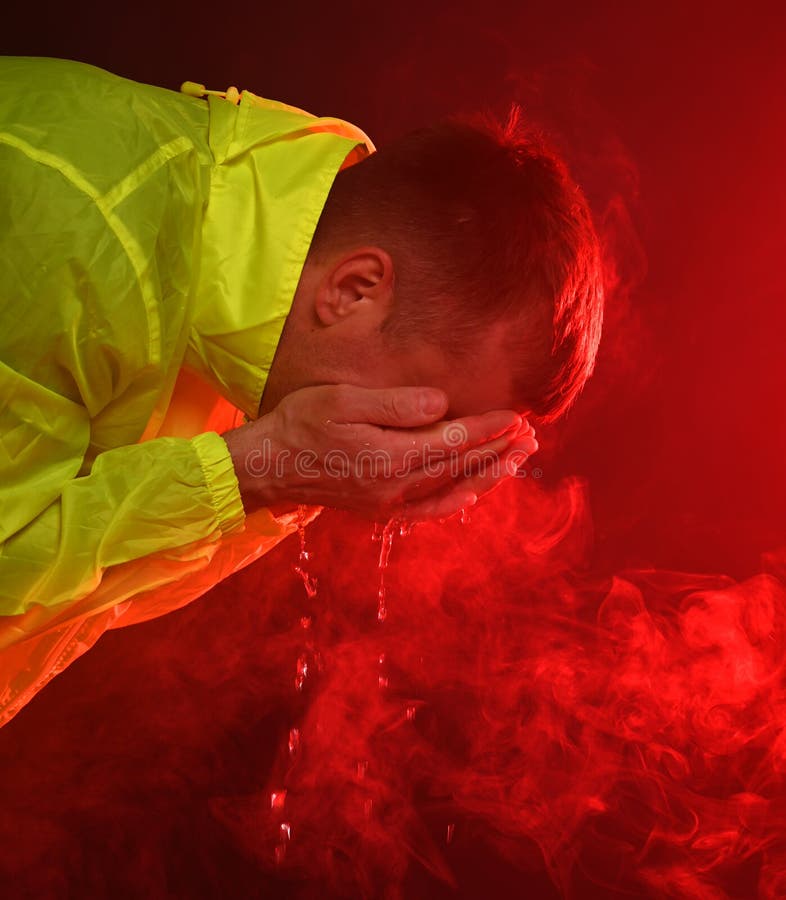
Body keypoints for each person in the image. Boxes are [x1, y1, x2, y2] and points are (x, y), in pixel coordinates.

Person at [0, 56, 603, 727]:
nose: (403, 455)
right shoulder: (80, 229)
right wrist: (257, 470)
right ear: (353, 290)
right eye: (419, 417)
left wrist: (274, 474)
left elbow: (57, 591)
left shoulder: (264, 326)